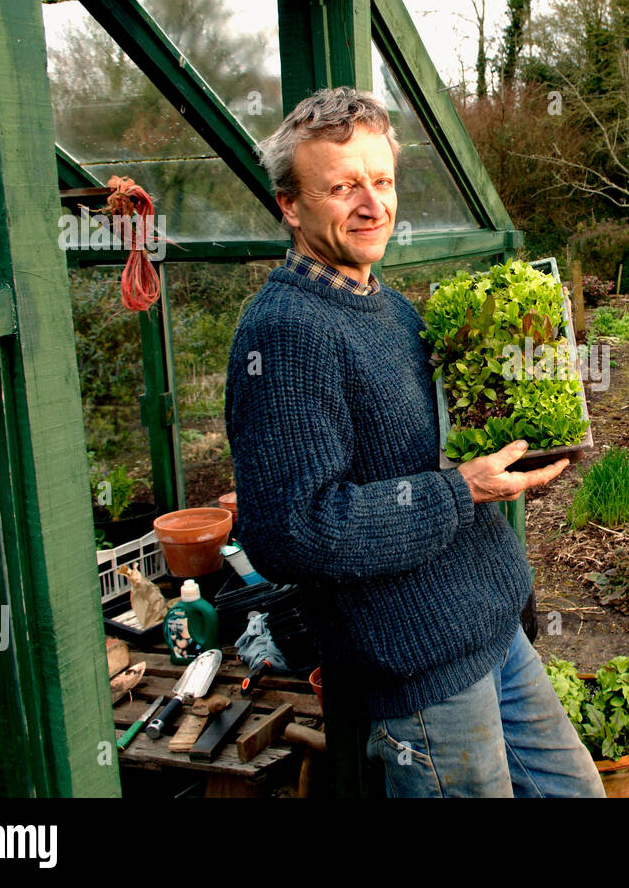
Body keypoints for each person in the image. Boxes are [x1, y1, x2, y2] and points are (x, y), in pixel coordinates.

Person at [223, 87, 605, 798]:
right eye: (342, 187)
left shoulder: (387, 304)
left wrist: (527, 431)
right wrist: (462, 489)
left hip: (490, 631)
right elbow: (292, 530)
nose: (373, 204)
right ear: (289, 204)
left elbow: (437, 445)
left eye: (383, 180)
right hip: (418, 670)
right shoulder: (284, 334)